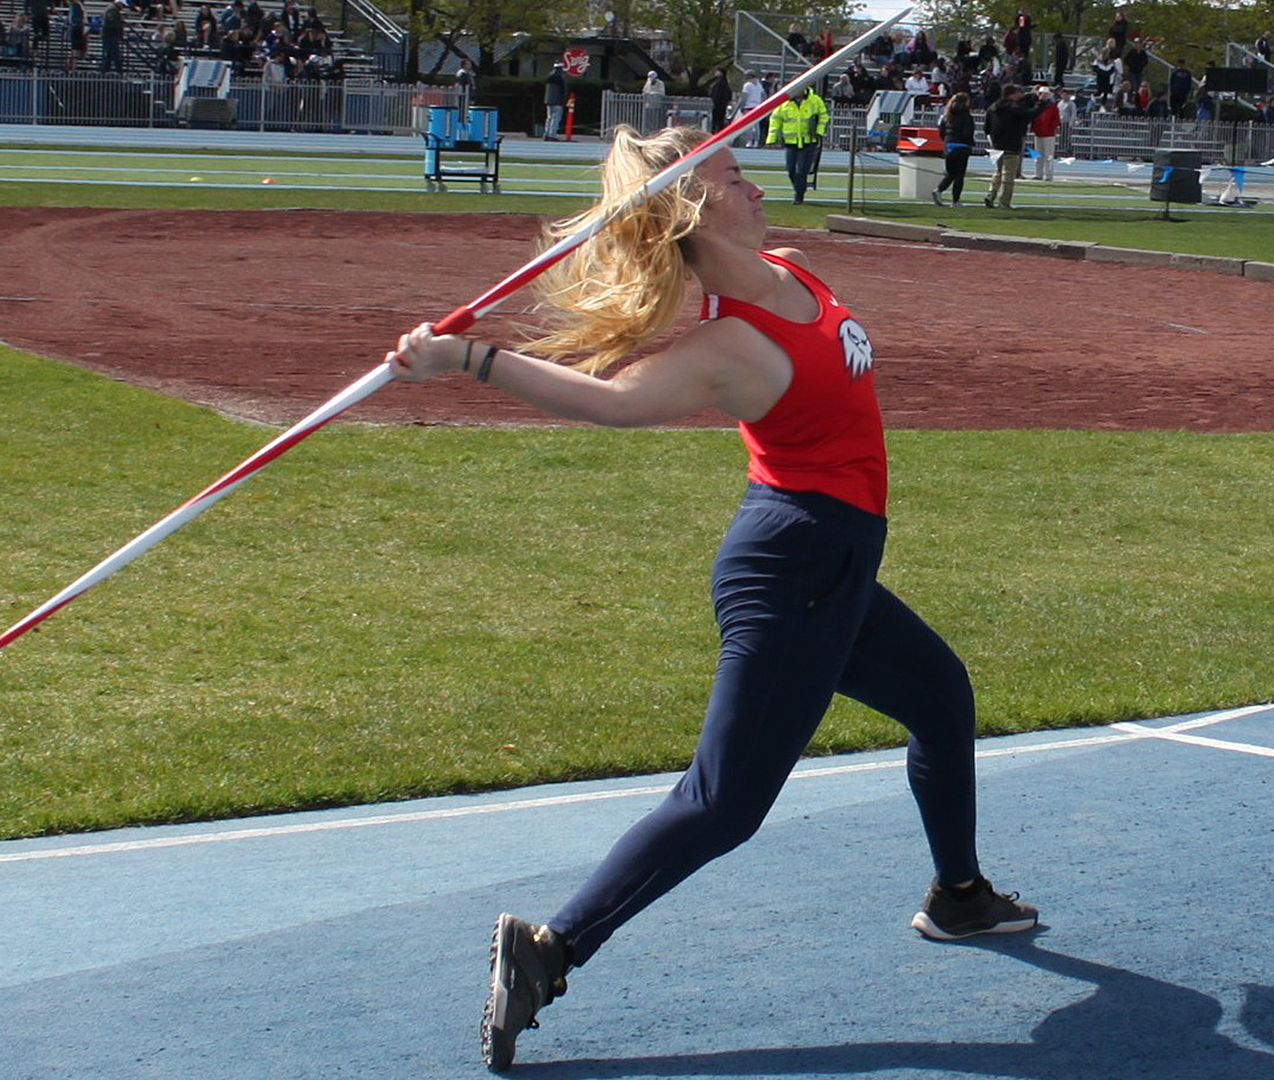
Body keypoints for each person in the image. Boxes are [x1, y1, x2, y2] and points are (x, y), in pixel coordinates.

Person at [388, 123, 1036, 1074]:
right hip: (794, 570)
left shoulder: (793, 269)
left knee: (941, 699)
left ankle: (959, 893)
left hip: (836, 563)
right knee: (725, 801)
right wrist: (465, 361)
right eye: (735, 177)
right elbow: (608, 402)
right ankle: (550, 950)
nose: (756, 184)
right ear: (695, 206)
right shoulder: (729, 341)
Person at [766, 82, 828, 203]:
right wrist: (771, 139)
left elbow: (824, 116)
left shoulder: (815, 100)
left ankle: (799, 196)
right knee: (791, 170)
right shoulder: (784, 103)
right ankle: (800, 188)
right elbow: (775, 120)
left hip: (809, 141)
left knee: (801, 170)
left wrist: (819, 132)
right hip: (791, 142)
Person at [982, 82, 1040, 208]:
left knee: (997, 172)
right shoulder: (1013, 107)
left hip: (997, 145)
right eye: (1018, 93)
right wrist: (1041, 103)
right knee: (1009, 175)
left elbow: (986, 128)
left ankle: (990, 195)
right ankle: (1004, 201)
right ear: (1012, 94)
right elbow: (1029, 114)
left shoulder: (993, 107)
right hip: (1011, 144)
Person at [932, 90, 973, 206]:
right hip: (962, 146)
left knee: (951, 173)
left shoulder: (947, 115)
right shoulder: (966, 116)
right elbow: (967, 134)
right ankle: (955, 200)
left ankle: (939, 189)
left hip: (949, 146)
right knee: (959, 175)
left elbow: (941, 132)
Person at [1028, 85, 1059, 180]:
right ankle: (1038, 174)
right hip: (1038, 133)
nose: (1043, 96)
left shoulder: (1053, 107)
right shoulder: (1037, 105)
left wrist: (1051, 127)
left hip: (1048, 134)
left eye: (1045, 94)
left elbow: (1056, 120)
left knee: (1048, 156)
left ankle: (1049, 175)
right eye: (1041, 94)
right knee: (1038, 156)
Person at [734, 71, 765, 147]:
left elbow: (744, 97)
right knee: (756, 126)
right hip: (757, 107)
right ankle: (756, 142)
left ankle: (749, 141)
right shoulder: (759, 85)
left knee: (748, 126)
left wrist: (741, 106)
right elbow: (764, 95)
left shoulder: (747, 85)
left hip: (748, 107)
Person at [97, 0, 125, 73]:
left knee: (109, 55)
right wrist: (120, 26)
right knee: (114, 54)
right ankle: (118, 71)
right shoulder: (113, 10)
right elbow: (112, 22)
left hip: (109, 35)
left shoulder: (111, 8)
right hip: (111, 35)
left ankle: (105, 71)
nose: (123, 7)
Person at [542, 60, 566, 140]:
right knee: (556, 118)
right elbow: (563, 90)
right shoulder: (560, 78)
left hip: (548, 100)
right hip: (557, 101)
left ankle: (546, 133)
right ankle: (552, 135)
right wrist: (563, 99)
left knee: (549, 117)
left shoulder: (549, 76)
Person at [705, 63, 729, 133]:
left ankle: (715, 133)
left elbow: (717, 94)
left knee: (717, 122)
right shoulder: (723, 83)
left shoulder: (721, 83)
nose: (716, 73)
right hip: (721, 105)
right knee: (719, 122)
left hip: (718, 105)